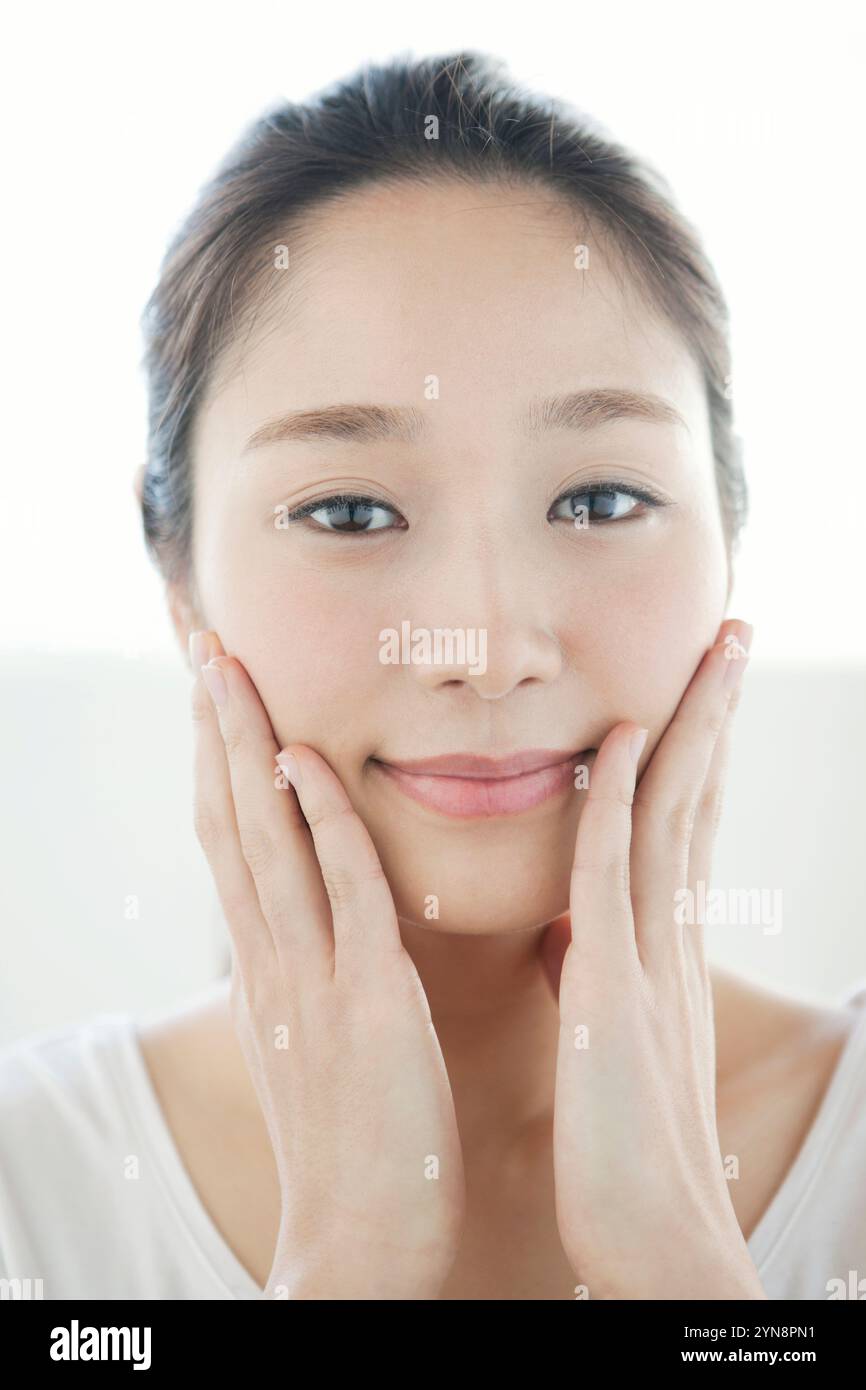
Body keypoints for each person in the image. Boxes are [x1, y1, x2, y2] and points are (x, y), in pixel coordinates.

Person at [2, 50, 865, 1302]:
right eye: (349, 512)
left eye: (600, 496)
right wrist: (348, 1270)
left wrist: (676, 1266)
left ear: (729, 537)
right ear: (180, 581)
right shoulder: (34, 1195)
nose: (485, 642)